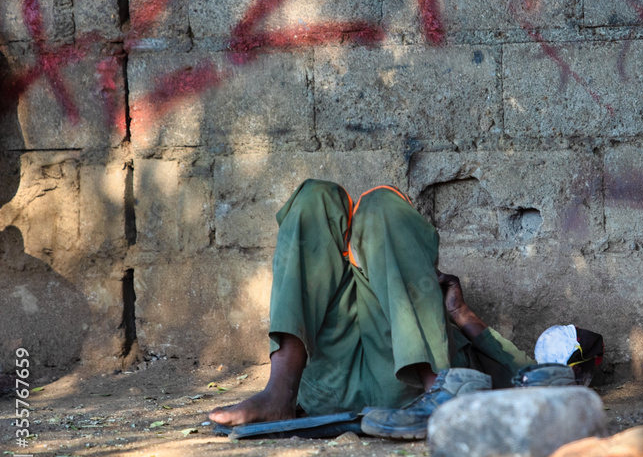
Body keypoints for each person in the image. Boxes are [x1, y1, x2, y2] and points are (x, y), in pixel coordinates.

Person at [209, 179, 571, 440]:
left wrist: (462, 314)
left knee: (383, 202)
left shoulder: (441, 307)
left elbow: (528, 373)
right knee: (313, 197)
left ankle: (439, 392)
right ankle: (279, 393)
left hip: (409, 383)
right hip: (328, 384)